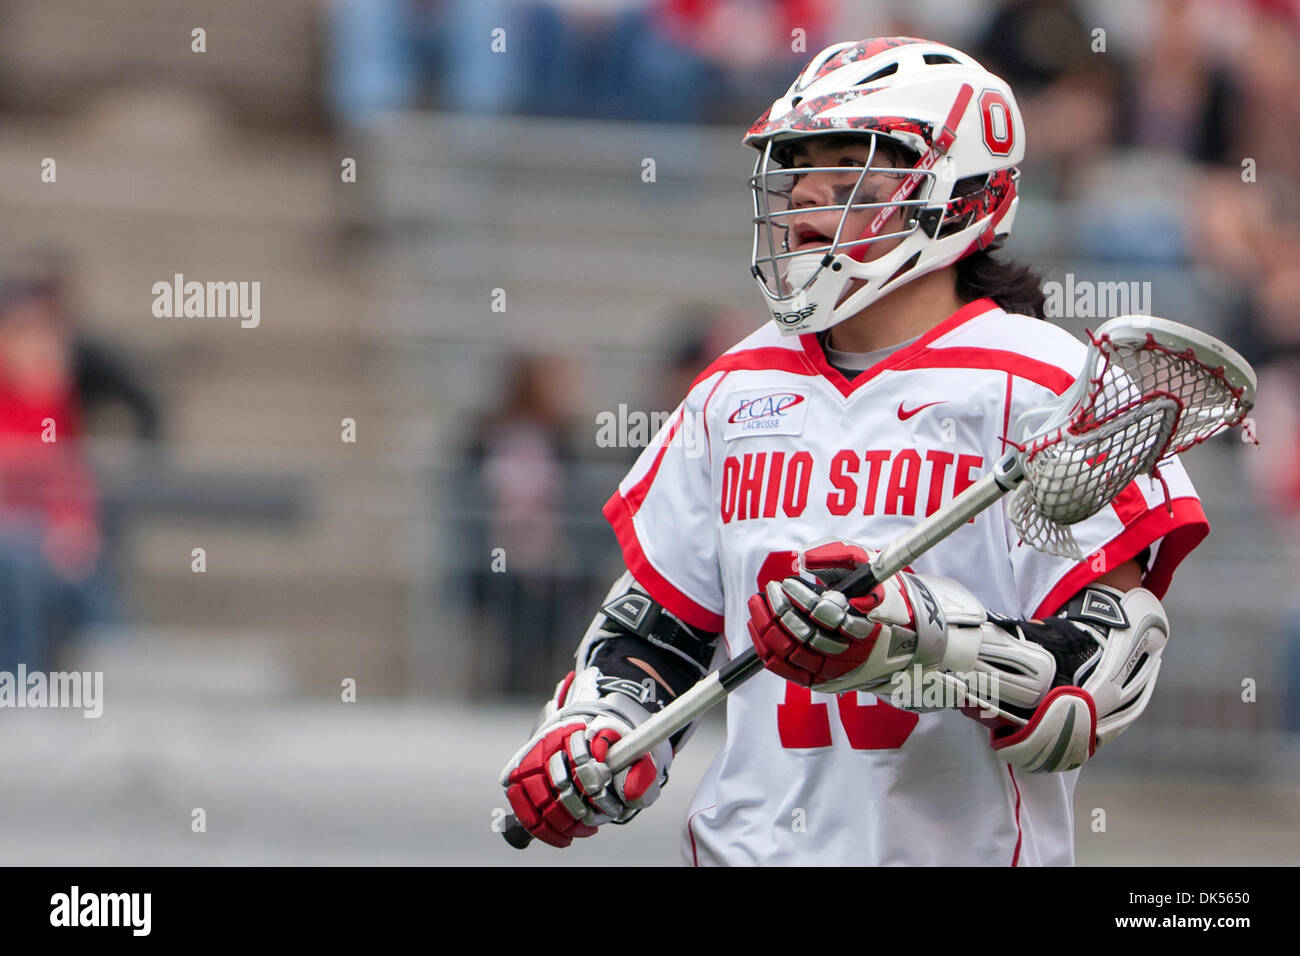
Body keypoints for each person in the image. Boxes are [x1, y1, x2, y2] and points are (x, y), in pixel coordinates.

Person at [499, 37, 1208, 865]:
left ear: (957, 192)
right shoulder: (733, 388)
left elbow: (1103, 680)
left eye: (848, 175)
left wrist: (914, 644)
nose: (805, 202)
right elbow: (658, 634)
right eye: (796, 173)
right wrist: (597, 732)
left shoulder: (1049, 381)